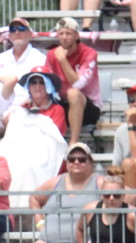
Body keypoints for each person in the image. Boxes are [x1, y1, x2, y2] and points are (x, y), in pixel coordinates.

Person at [18, 142, 101, 243]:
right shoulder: (56, 182)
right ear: (67, 163)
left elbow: (119, 197)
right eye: (71, 159)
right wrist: (40, 224)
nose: (76, 162)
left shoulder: (99, 182)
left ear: (90, 162)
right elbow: (34, 198)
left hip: (85, 242)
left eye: (82, 159)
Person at [0, 67, 69, 210]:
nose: (37, 86)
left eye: (41, 82)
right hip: (21, 151)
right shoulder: (20, 110)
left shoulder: (57, 110)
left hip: (44, 154)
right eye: (33, 82)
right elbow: (13, 133)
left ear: (48, 86)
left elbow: (53, 137)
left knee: (32, 166)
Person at [44, 16, 101, 147]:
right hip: (62, 105)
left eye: (68, 33)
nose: (64, 37)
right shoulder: (52, 55)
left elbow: (78, 84)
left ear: (76, 36)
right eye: (61, 33)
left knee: (73, 93)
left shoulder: (89, 53)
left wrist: (63, 60)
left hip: (89, 107)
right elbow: (48, 85)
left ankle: (74, 142)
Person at [73, 171, 136, 243]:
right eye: (107, 194)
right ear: (102, 194)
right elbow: (80, 230)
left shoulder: (131, 215)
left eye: (116, 195)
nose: (111, 198)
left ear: (123, 195)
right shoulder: (90, 210)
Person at [0, 17, 50, 104]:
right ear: (9, 35)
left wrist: (19, 109)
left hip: (28, 109)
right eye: (13, 29)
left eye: (21, 28)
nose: (17, 32)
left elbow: (45, 91)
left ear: (29, 34)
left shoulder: (40, 59)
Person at [112, 84, 136, 188]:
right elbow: (116, 166)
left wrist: (131, 125)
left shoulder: (128, 127)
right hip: (129, 184)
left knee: (129, 164)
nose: (134, 103)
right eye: (131, 99)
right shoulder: (121, 131)